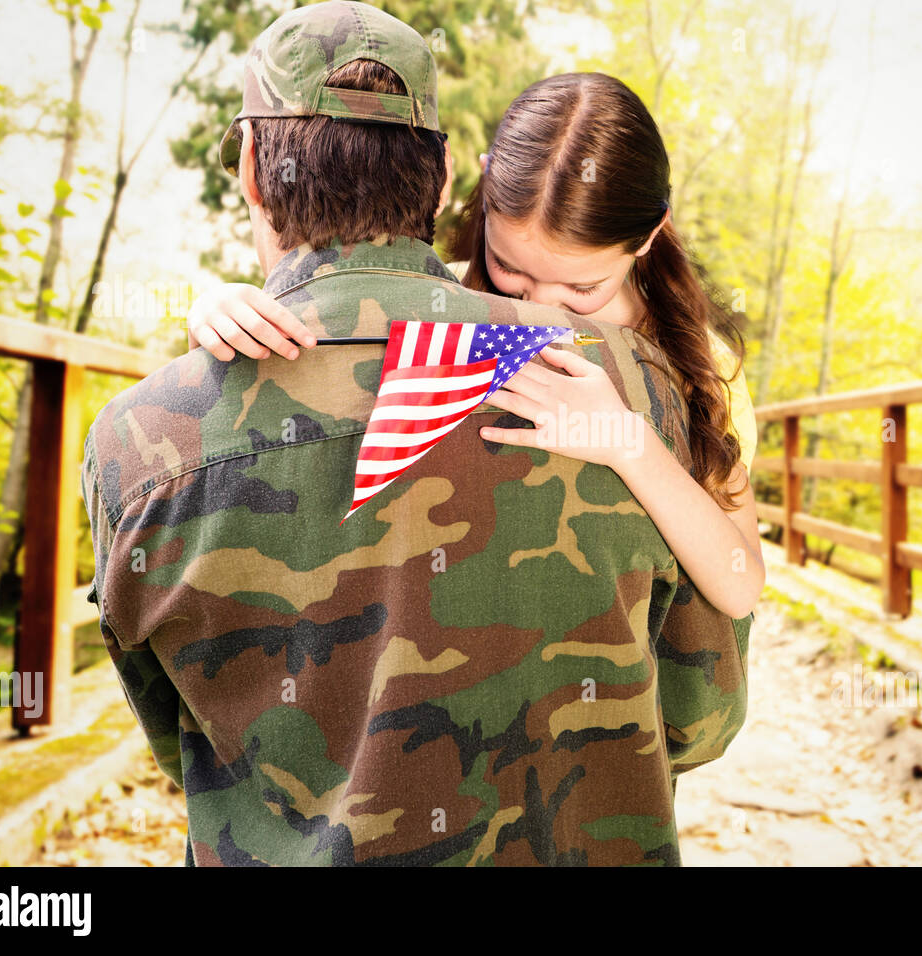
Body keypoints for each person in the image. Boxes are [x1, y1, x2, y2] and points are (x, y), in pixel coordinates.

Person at [81, 0, 749, 867]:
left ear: (249, 168)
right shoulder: (631, 384)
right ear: (446, 179)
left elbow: (183, 744)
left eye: (579, 290)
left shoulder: (137, 440)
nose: (549, 308)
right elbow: (703, 718)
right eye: (521, 276)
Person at [189, 72, 766, 619]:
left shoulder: (699, 364)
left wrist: (629, 443)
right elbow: (331, 358)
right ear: (485, 186)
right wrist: (220, 312)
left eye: (582, 288)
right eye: (511, 269)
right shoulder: (440, 305)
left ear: (649, 234)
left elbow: (739, 586)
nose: (544, 304)